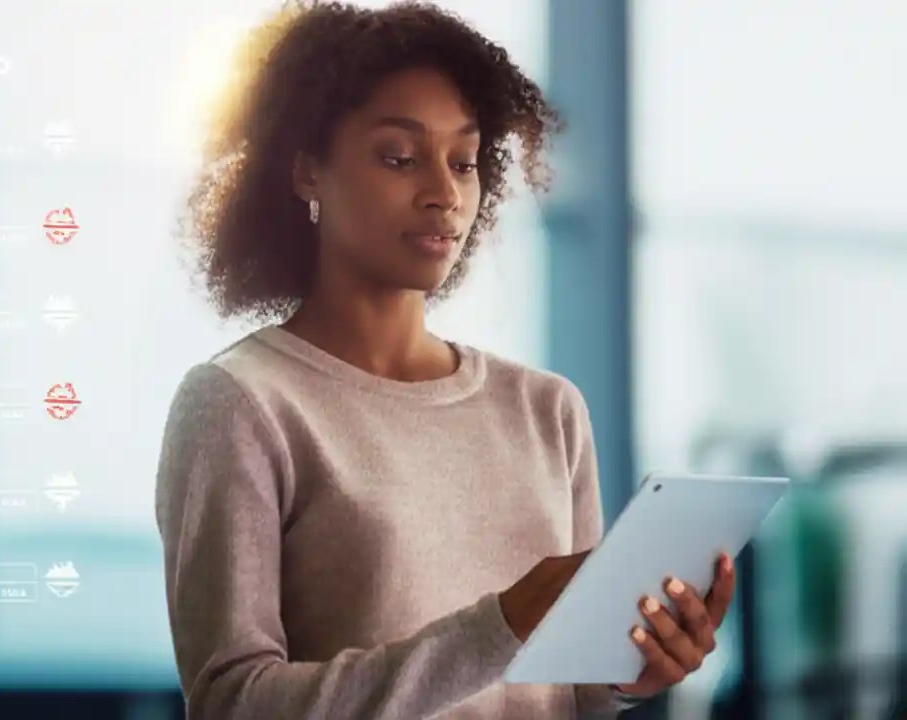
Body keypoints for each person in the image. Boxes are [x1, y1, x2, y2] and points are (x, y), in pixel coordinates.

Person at [154, 1, 736, 717]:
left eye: (463, 162)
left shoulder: (546, 411)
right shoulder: (240, 403)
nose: (443, 194)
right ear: (307, 172)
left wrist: (629, 676)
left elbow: (574, 698)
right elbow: (232, 702)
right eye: (400, 158)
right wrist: (499, 626)